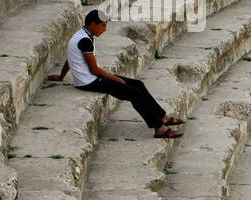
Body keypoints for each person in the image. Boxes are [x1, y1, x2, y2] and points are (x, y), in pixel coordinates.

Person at [49, 10, 185, 139]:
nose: (105, 29)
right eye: (102, 26)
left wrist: (61, 76)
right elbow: (94, 70)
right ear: (92, 25)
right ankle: (159, 129)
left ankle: (163, 117)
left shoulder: (82, 35)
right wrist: (115, 79)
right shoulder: (85, 41)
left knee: (138, 84)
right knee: (134, 94)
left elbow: (71, 57)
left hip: (91, 78)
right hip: (89, 81)